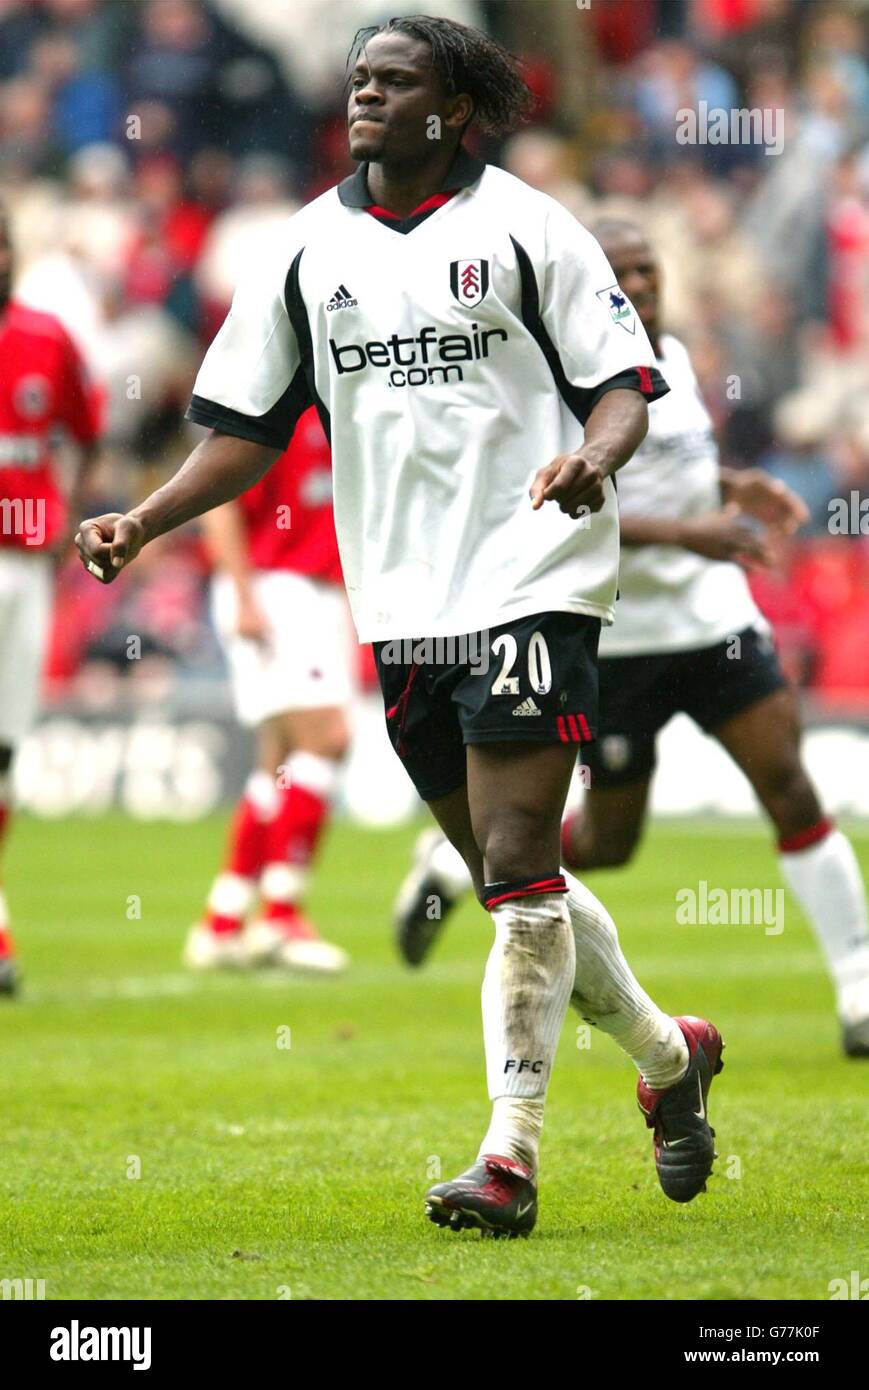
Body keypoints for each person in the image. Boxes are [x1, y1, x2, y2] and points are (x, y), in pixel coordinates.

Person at [76, 16, 723, 1237]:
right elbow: (245, 425)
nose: (365, 93)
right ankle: (668, 1054)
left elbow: (621, 386)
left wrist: (590, 462)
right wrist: (147, 518)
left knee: (521, 864)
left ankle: (507, 1158)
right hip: (403, 597)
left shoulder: (529, 227)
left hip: (535, 571)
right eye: (359, 77)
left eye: (395, 78)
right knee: (508, 876)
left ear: (454, 106)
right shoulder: (307, 250)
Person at [394, 217, 869, 1061]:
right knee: (608, 844)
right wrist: (690, 533)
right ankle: (449, 859)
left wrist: (731, 485)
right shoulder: (551, 377)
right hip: (610, 638)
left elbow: (672, 465)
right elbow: (557, 495)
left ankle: (859, 993)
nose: (641, 285)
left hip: (714, 622)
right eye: (622, 272)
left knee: (790, 788)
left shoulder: (674, 358)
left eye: (649, 268)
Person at [184, 404, 351, 975]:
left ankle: (223, 919)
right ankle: (280, 914)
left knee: (277, 762)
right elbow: (219, 498)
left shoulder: (336, 397)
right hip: (275, 589)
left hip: (312, 590)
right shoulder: (272, 403)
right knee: (328, 738)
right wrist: (243, 593)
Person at [0, 202, 100, 997]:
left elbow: (82, 426)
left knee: (5, 755)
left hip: (27, 564)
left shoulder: (45, 336)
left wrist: (63, 501)